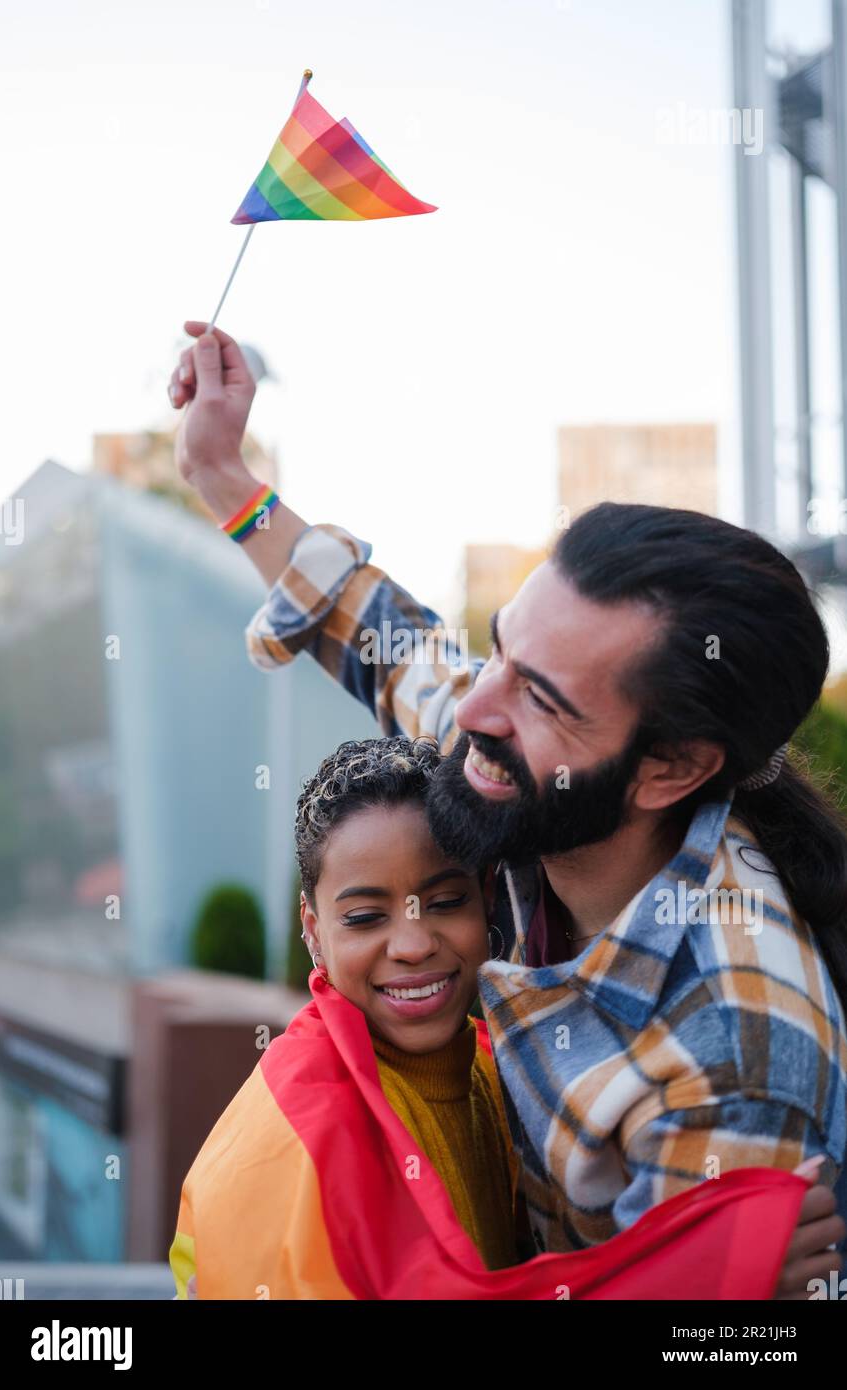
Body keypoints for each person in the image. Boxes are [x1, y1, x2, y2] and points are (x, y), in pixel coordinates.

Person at [168, 321, 847, 1279]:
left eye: (542, 698)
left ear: (672, 769)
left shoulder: (731, 1055)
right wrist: (223, 480)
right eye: (501, 650)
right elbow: (395, 646)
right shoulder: (548, 779)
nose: (475, 708)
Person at [169, 735, 840, 1300]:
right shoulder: (300, 1139)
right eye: (366, 917)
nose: (412, 943)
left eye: (445, 900)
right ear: (312, 930)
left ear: (487, 898)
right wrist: (702, 1280)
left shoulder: (495, 1061)